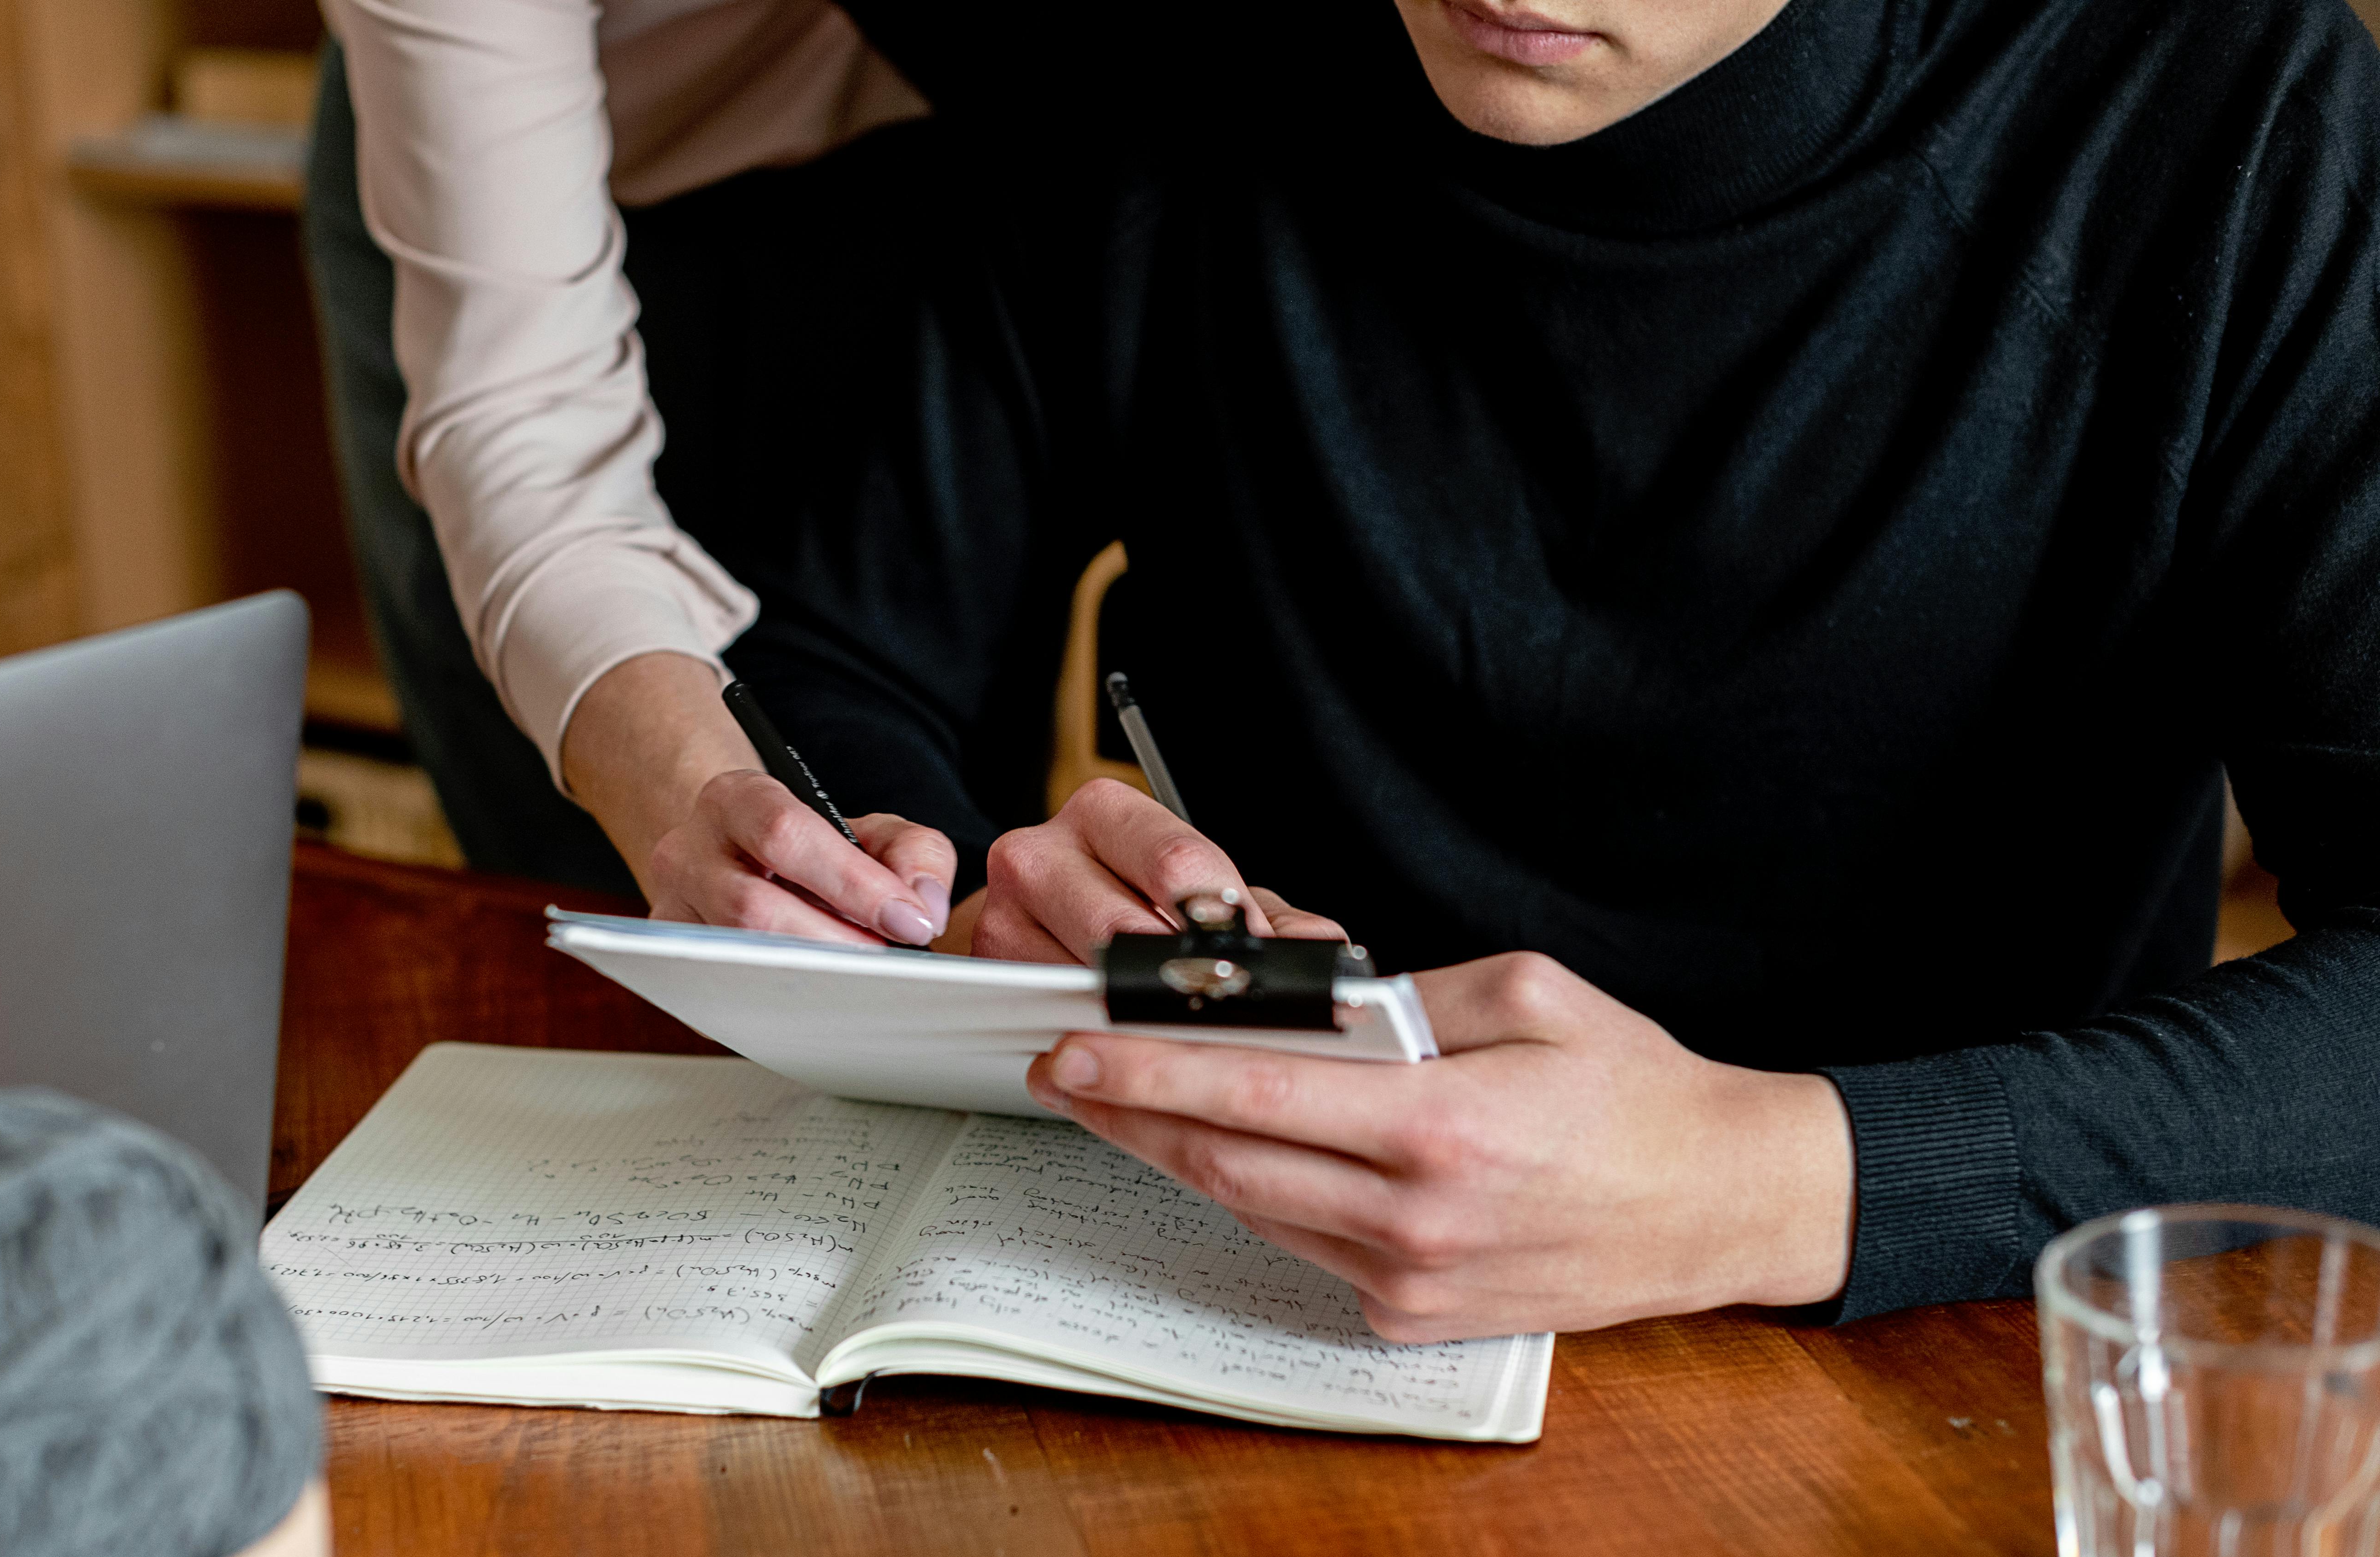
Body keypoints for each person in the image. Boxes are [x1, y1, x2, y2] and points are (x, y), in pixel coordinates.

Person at [686, 0, 2380, 1336]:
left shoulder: (2226, 109)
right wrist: (977, 900)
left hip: (1960, 1353)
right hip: (1240, 1298)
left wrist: (1784, 1182)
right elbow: (845, 649)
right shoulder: (1156, 52)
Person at [305, 0, 1006, 945]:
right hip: (550, 170)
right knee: (594, 873)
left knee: (965, 826)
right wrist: (694, 804)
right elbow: (527, 438)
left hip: (952, 163)